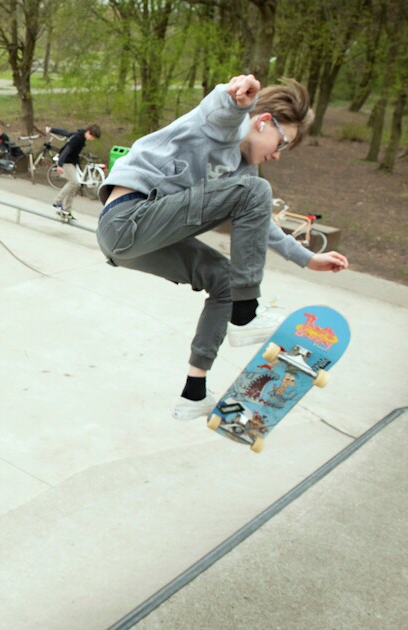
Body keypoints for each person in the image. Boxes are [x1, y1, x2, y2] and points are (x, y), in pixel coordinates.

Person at [96, 74, 349, 421]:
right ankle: (246, 317)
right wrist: (236, 96)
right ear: (263, 122)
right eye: (282, 143)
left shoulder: (245, 176)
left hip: (139, 245)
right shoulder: (221, 127)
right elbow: (221, 111)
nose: (276, 155)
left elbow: (264, 226)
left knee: (225, 281)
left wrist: (306, 258)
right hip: (127, 219)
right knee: (255, 194)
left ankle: (193, 393)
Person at [50, 124, 101, 221]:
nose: (92, 139)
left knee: (75, 186)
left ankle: (67, 210)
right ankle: (57, 202)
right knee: (74, 182)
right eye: (92, 137)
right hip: (66, 162)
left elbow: (65, 132)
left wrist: (52, 129)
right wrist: (60, 165)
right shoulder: (77, 139)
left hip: (71, 162)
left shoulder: (79, 135)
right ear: (88, 132)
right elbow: (66, 150)